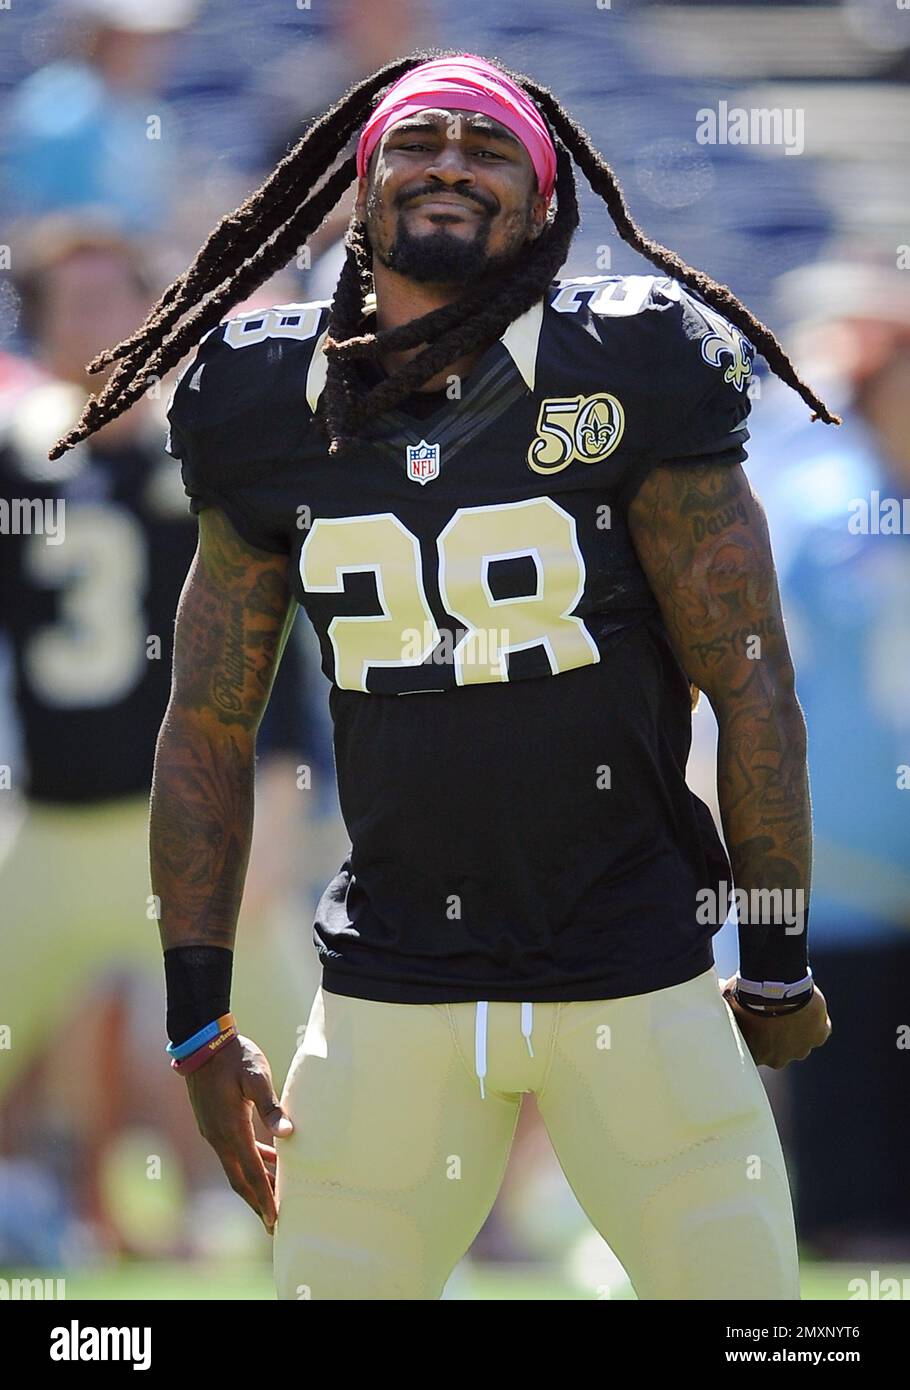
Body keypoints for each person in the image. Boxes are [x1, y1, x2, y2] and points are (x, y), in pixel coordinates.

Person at [50, 51, 833, 1300]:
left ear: (544, 199)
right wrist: (200, 1018)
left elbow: (751, 683)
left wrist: (777, 951)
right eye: (417, 142)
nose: (450, 164)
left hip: (634, 968)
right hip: (389, 988)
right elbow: (207, 722)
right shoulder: (266, 395)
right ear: (361, 189)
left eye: (488, 147)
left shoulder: (628, 363)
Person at [0, 217, 317, 1251]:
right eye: (72, 305)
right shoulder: (18, 462)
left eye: (115, 300)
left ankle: (366, 1256)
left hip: (187, 828)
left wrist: (277, 797)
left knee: (314, 1078)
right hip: (50, 830)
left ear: (156, 312)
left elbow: (273, 646)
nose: (97, 325)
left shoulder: (207, 451)